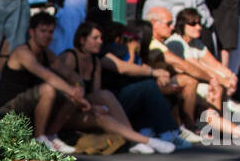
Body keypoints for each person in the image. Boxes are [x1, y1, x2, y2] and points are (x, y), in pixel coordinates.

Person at [52, 22, 175, 154]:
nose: (100, 42)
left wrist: (98, 107)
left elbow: (96, 93)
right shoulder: (70, 57)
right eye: (95, 38)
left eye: (101, 38)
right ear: (82, 40)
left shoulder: (95, 62)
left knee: (104, 100)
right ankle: (146, 140)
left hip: (86, 107)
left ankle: (136, 140)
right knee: (106, 102)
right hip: (67, 112)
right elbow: (65, 95)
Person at [101, 20, 200, 145]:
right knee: (147, 87)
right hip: (113, 100)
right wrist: (150, 69)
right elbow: (124, 68)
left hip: (126, 100)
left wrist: (158, 77)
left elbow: (141, 69)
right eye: (129, 37)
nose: (134, 41)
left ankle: (148, 130)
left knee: (151, 86)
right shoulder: (107, 53)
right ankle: (168, 132)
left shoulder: (133, 53)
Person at [0, 9, 83, 149]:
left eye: (50, 32)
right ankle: (39, 138)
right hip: (9, 108)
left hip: (29, 107)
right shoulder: (22, 52)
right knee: (48, 89)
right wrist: (73, 90)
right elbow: (47, 75)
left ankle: (51, 137)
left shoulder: (47, 54)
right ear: (32, 32)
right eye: (43, 31)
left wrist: (79, 88)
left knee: (71, 98)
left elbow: (71, 75)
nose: (47, 36)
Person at [165, 6, 238, 142]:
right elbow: (193, 67)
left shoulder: (197, 43)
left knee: (217, 86)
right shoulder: (176, 43)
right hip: (182, 83)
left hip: (202, 82)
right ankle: (193, 125)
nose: (198, 27)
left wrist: (230, 77)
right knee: (209, 86)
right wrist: (219, 80)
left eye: (199, 23)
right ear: (182, 25)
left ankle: (215, 127)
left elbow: (214, 64)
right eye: (193, 23)